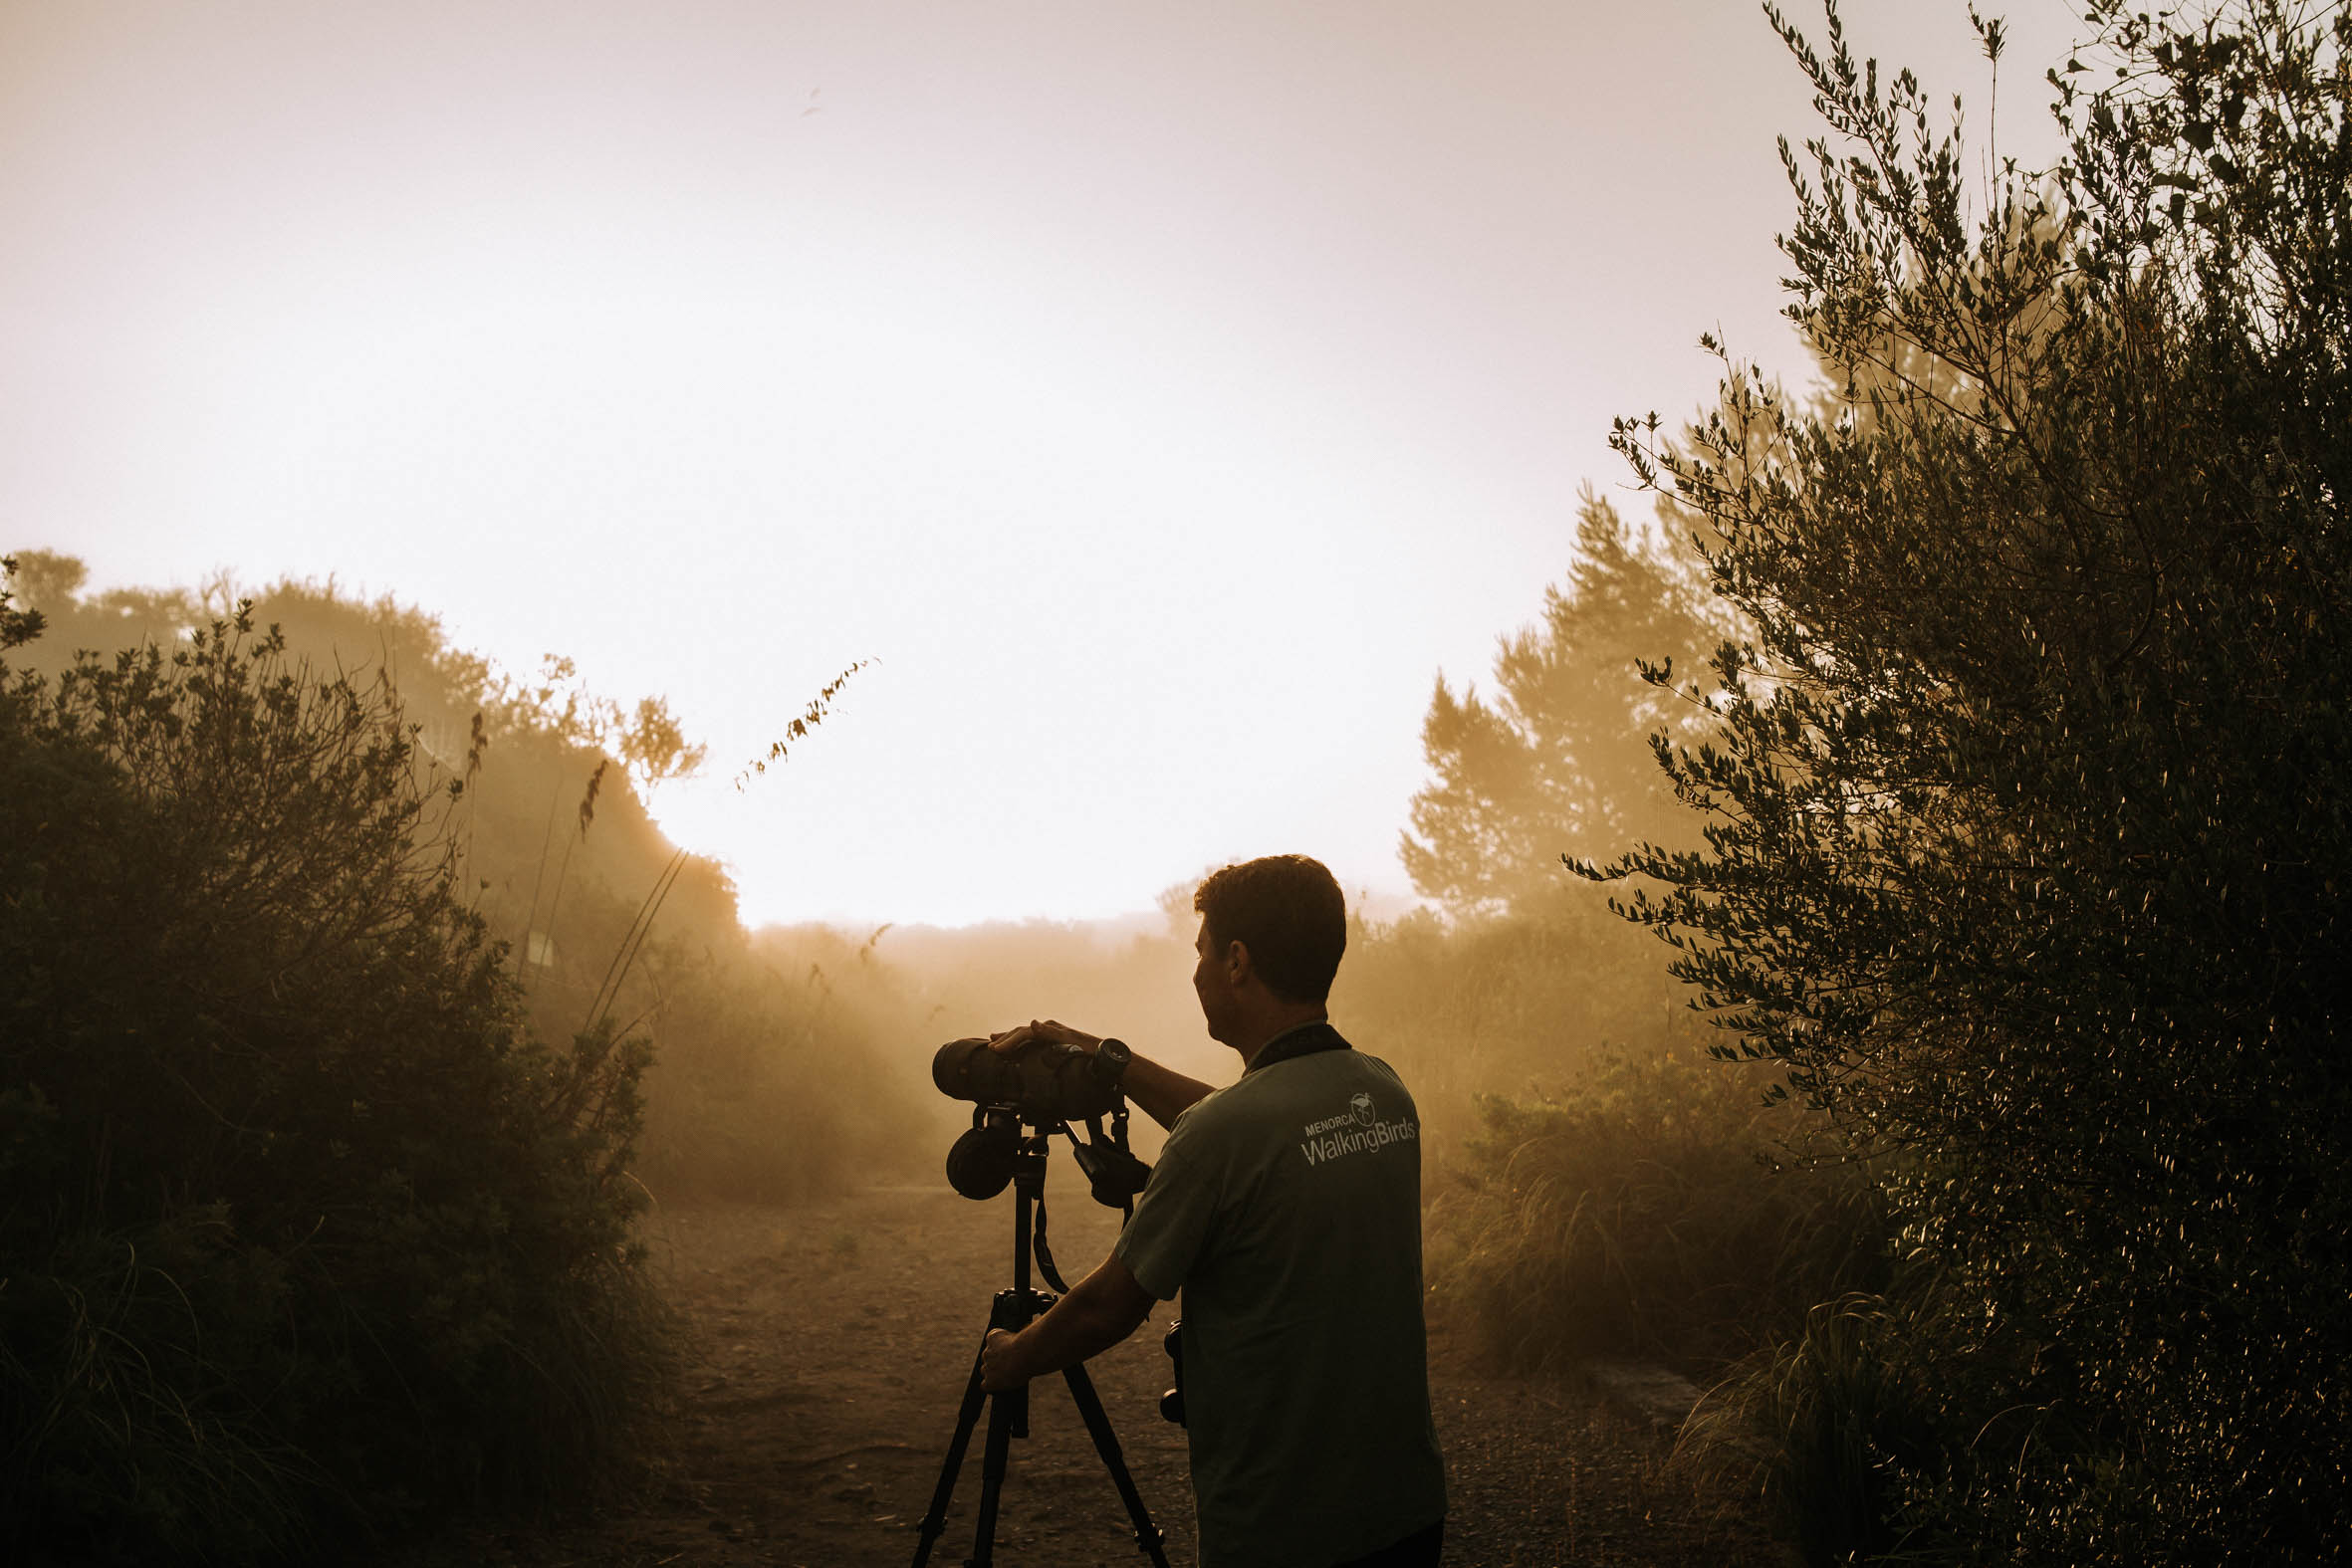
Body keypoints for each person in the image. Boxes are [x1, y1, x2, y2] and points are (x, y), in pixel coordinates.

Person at [978, 854, 1446, 1568]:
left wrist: (1013, 1357)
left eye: (1199, 952)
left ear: (1236, 960)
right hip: (1405, 1507)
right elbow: (1243, 1125)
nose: (1193, 973)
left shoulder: (1222, 1136)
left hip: (1282, 1530)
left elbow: (1109, 1305)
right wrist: (1110, 1058)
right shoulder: (1383, 1091)